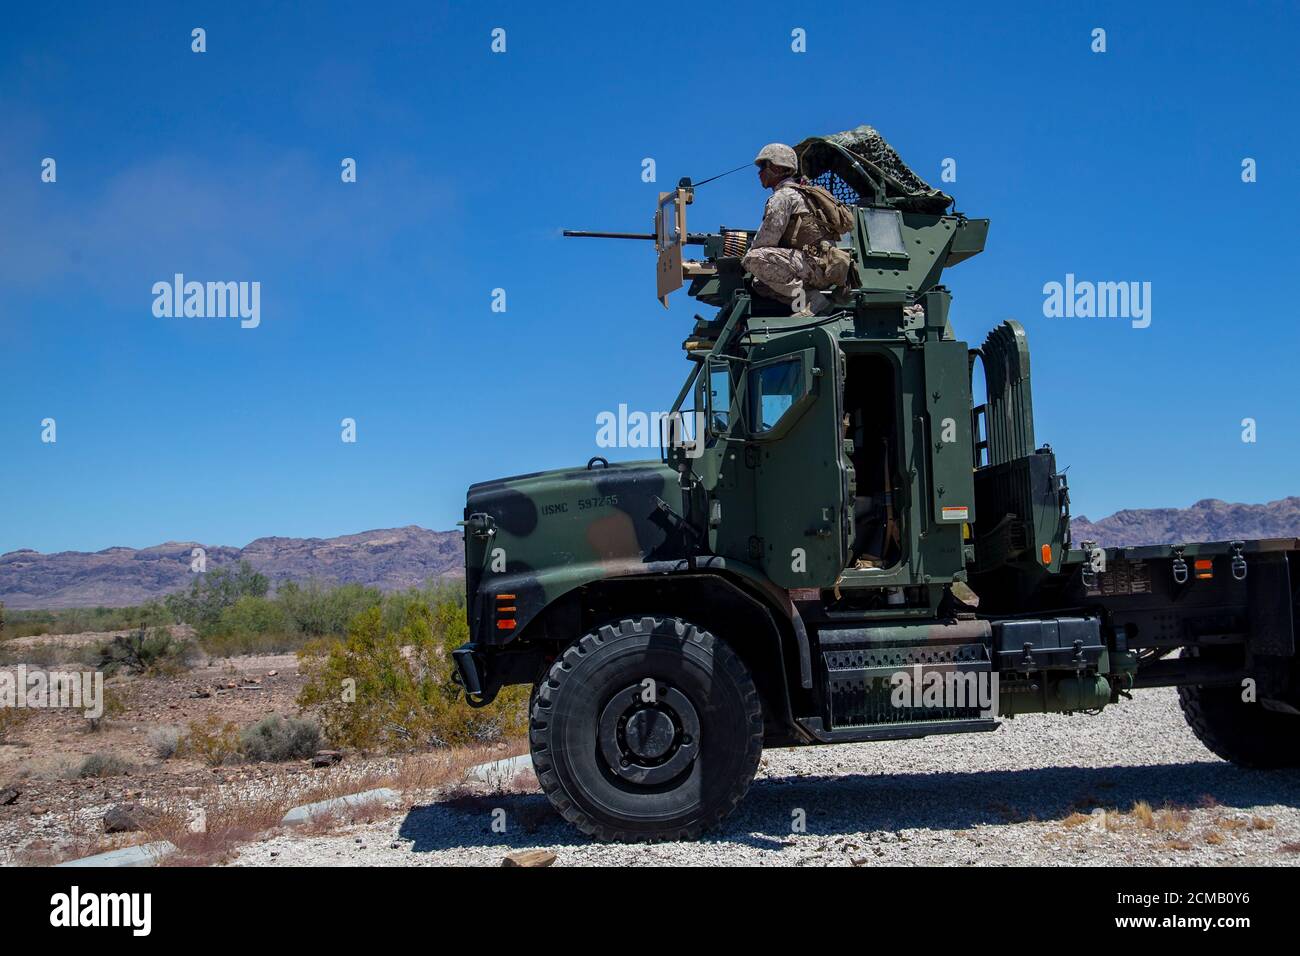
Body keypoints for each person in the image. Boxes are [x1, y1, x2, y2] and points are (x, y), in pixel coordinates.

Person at [741, 143, 851, 315]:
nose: (759, 172)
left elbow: (764, 242)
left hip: (812, 266)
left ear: (777, 167)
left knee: (752, 259)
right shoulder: (802, 193)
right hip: (823, 266)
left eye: (764, 166)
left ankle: (811, 300)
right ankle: (805, 305)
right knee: (760, 283)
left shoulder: (783, 197)